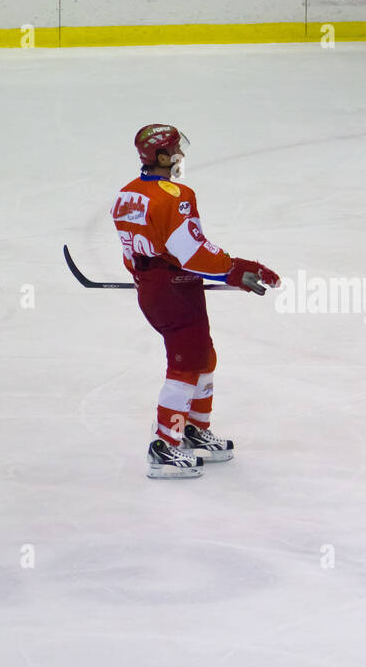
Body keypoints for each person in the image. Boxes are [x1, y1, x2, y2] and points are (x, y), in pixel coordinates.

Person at [112, 124, 280, 479]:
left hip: (158, 289)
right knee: (185, 366)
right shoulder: (176, 195)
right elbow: (192, 254)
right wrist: (236, 270)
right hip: (174, 290)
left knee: (203, 356)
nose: (180, 156)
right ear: (161, 156)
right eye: (175, 150)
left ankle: (192, 429)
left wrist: (149, 277)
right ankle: (165, 446)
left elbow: (132, 255)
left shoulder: (126, 195)